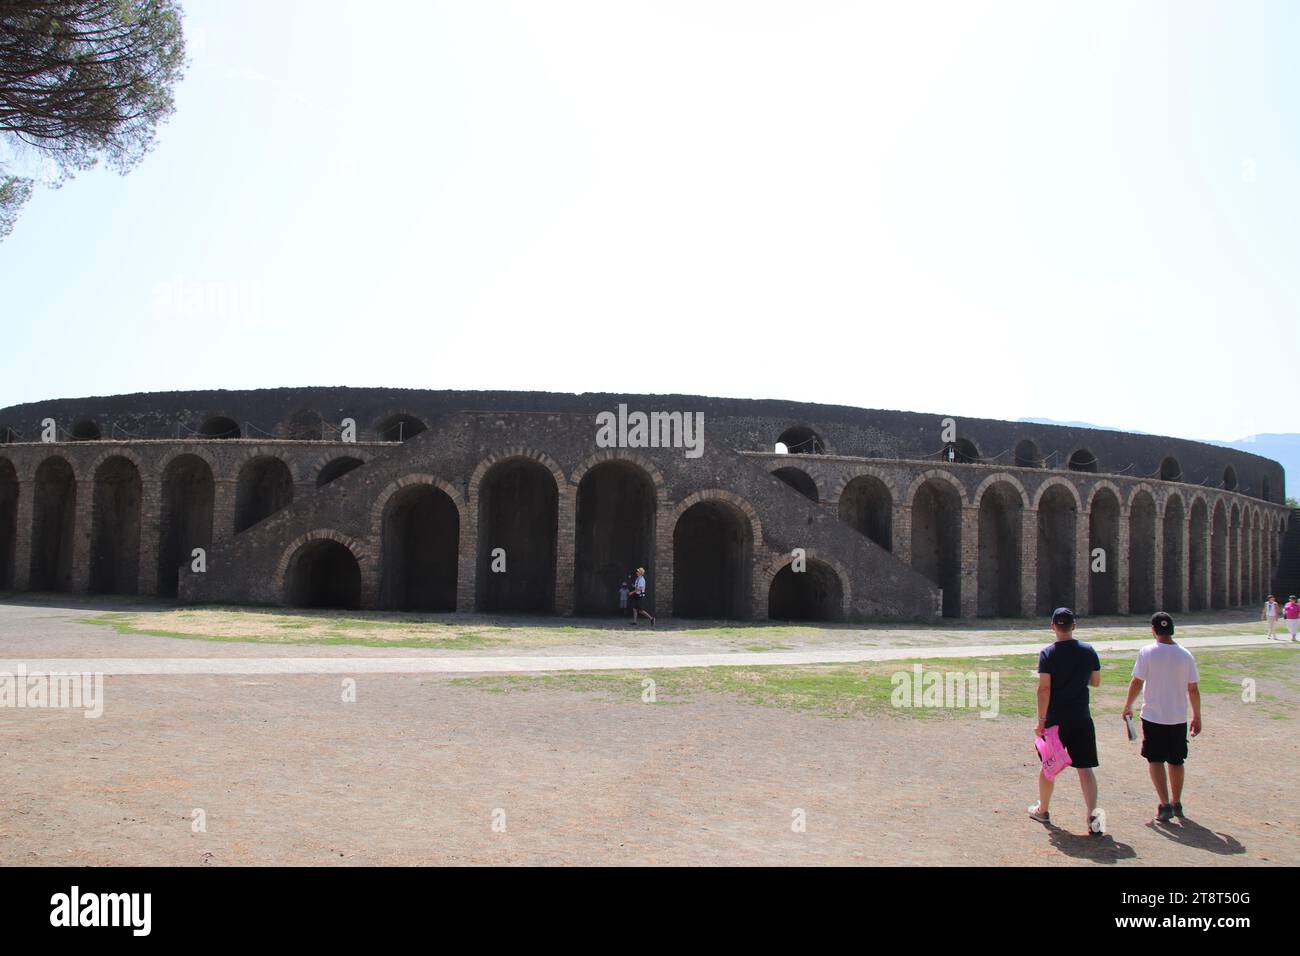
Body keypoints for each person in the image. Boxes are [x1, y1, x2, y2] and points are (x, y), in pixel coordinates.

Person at [1028, 607, 1104, 835]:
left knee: (1049, 766)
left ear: (1052, 626)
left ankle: (1043, 810)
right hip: (1081, 716)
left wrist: (1041, 720)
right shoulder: (1088, 650)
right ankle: (1093, 817)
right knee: (1085, 769)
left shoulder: (1048, 654)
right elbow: (1096, 681)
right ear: (1074, 626)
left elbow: (1044, 689)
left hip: (1056, 720)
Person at [1121, 611, 1201, 823]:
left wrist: (1128, 705)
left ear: (1154, 630)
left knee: (1155, 759)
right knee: (1176, 760)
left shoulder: (1147, 652)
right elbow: (1193, 689)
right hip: (1177, 717)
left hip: (1153, 715)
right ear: (1172, 630)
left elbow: (1136, 682)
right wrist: (1197, 716)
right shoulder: (1186, 655)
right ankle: (1177, 802)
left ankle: (1164, 804)